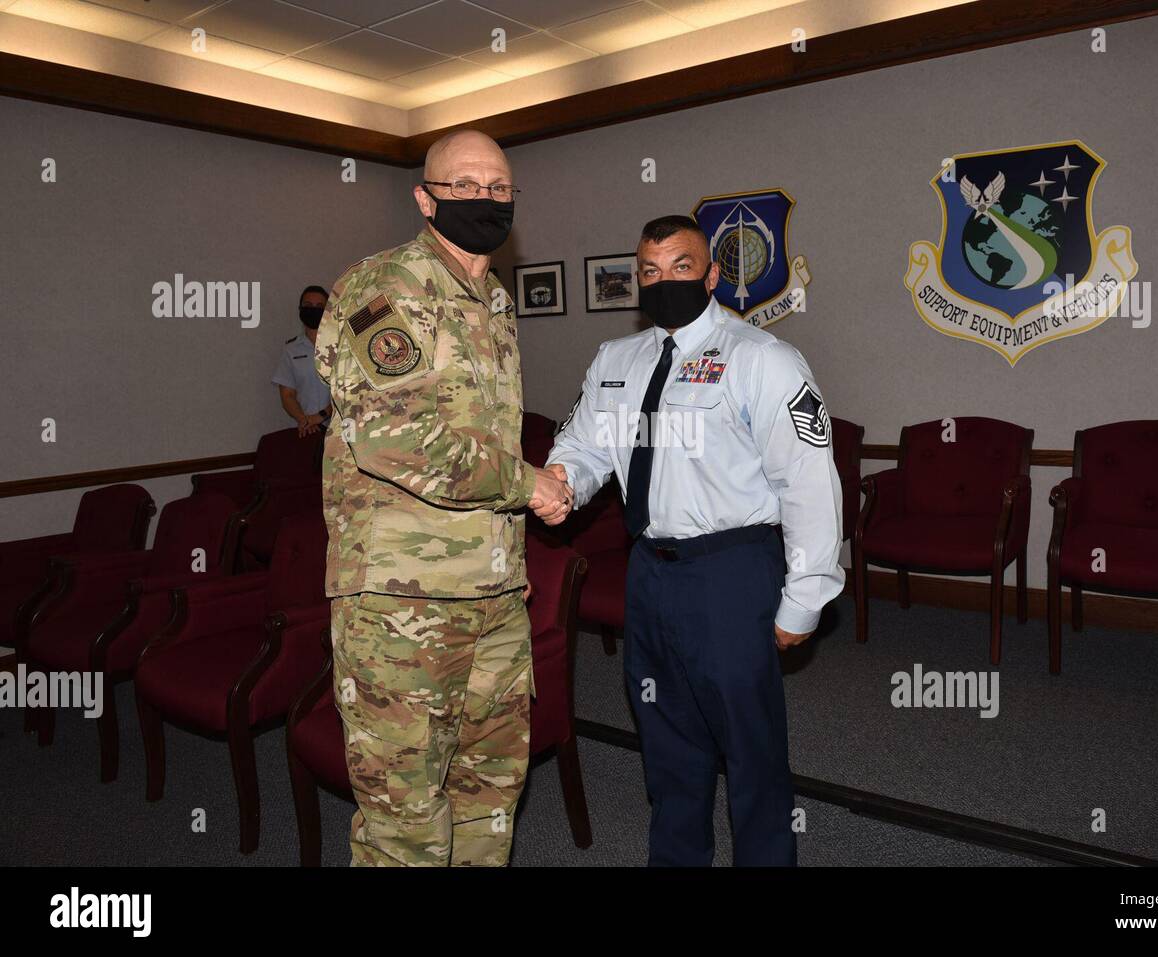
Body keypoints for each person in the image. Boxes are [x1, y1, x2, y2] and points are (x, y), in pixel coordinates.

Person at [540, 214, 844, 866]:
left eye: (681, 266)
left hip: (732, 571)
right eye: (650, 271)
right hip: (648, 571)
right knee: (666, 737)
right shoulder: (616, 361)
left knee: (750, 745)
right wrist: (562, 478)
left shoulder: (762, 359)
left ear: (711, 274)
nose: (664, 280)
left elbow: (809, 482)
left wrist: (807, 595)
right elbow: (587, 445)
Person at [314, 129, 572, 867]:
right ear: (425, 198)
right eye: (464, 186)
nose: (484, 199)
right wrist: (533, 484)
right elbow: (402, 443)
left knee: (488, 804)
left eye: (498, 188)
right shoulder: (382, 288)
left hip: (494, 597)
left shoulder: (493, 299)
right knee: (406, 826)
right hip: (402, 606)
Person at [274, 285, 333, 436]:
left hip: (339, 431)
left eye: (319, 306)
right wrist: (304, 420)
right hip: (305, 431)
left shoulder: (343, 347)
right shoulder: (291, 349)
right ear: (300, 309)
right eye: (308, 306)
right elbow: (287, 395)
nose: (313, 309)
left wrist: (319, 417)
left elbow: (348, 393)